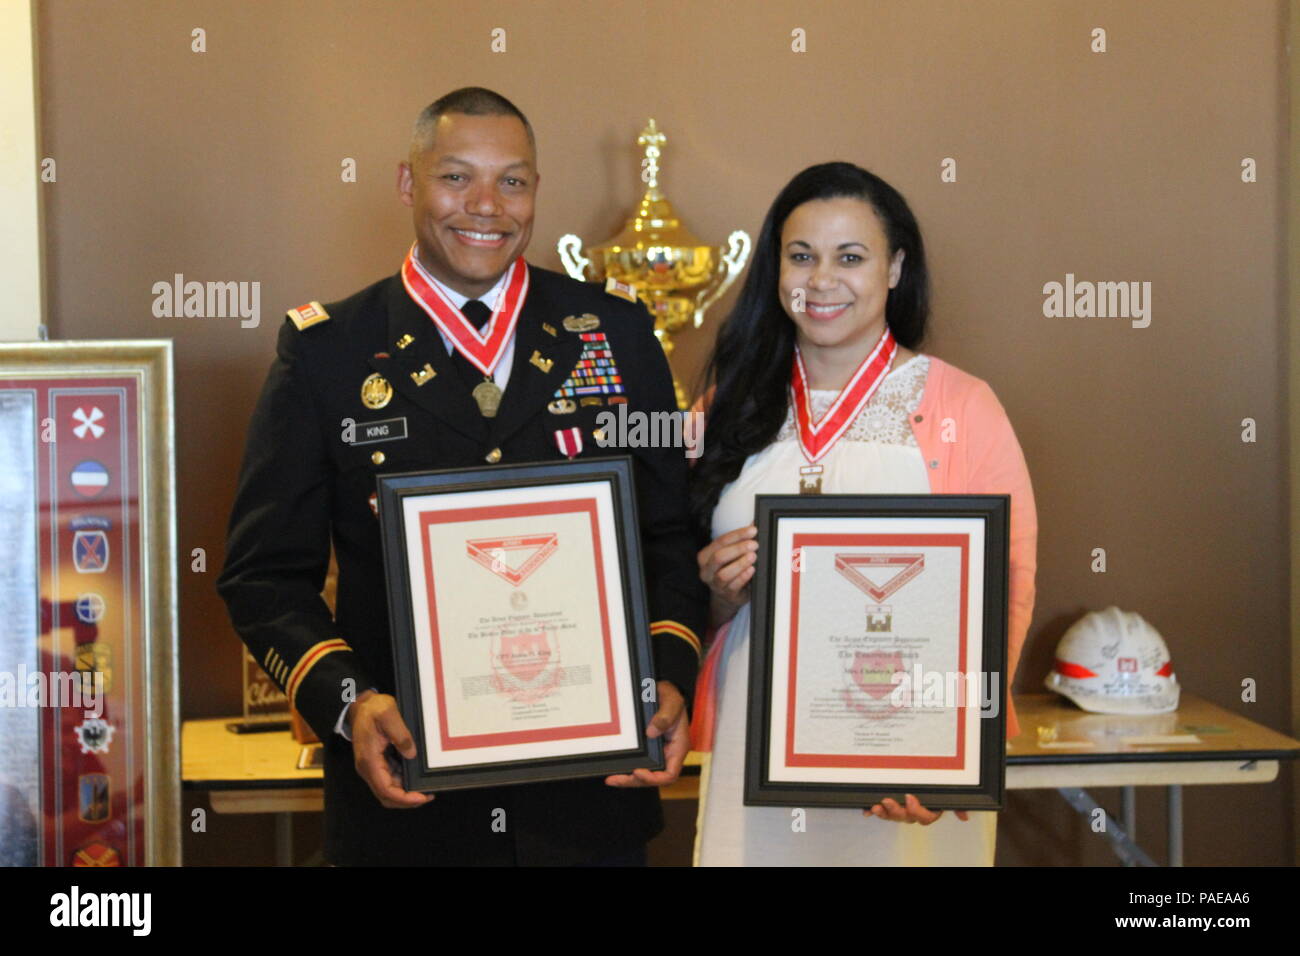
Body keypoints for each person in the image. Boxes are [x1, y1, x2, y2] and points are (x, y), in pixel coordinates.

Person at [216, 87, 706, 866]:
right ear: (408, 184)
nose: (486, 205)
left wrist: (670, 670)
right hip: (407, 811)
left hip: (587, 810)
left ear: (537, 190)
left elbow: (667, 539)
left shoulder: (614, 333)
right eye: (456, 178)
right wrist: (350, 705)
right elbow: (262, 576)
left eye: (512, 180)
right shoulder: (327, 352)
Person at [688, 162, 1037, 866]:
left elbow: (1007, 590)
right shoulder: (724, 408)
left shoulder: (962, 406)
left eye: (851, 257)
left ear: (895, 267)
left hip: (906, 757)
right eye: (801, 256)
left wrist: (956, 750)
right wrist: (718, 598)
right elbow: (680, 580)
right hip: (758, 756)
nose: (822, 281)